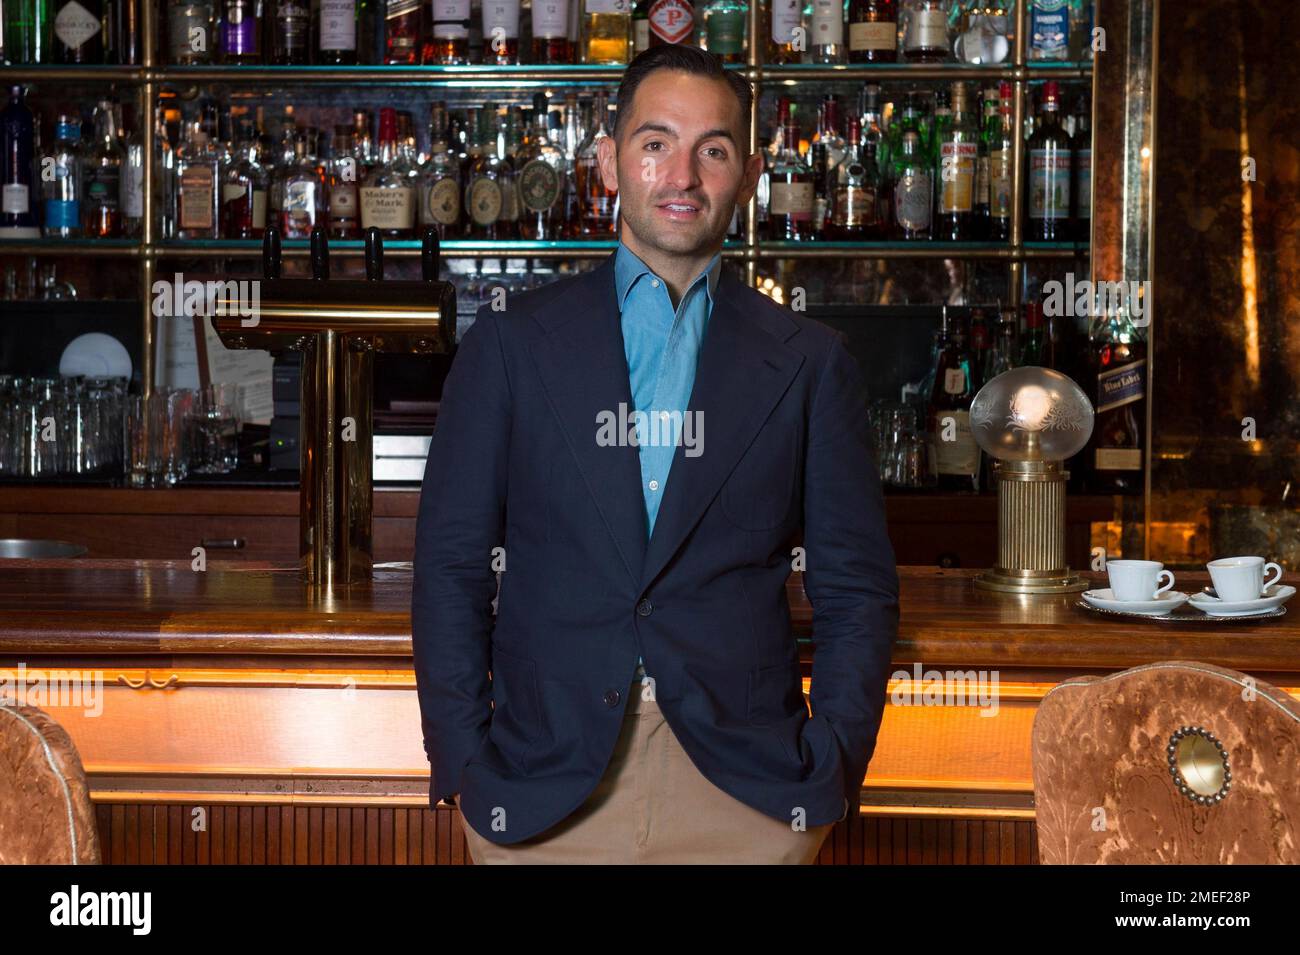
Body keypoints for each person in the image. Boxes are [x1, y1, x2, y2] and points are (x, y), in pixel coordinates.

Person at [411, 44, 899, 864]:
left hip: (747, 795)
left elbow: (855, 587)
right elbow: (451, 566)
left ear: (748, 175)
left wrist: (834, 763)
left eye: (713, 149)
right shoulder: (509, 347)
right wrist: (464, 760)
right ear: (608, 163)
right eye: (655, 143)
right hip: (541, 790)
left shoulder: (812, 362)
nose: (684, 175)